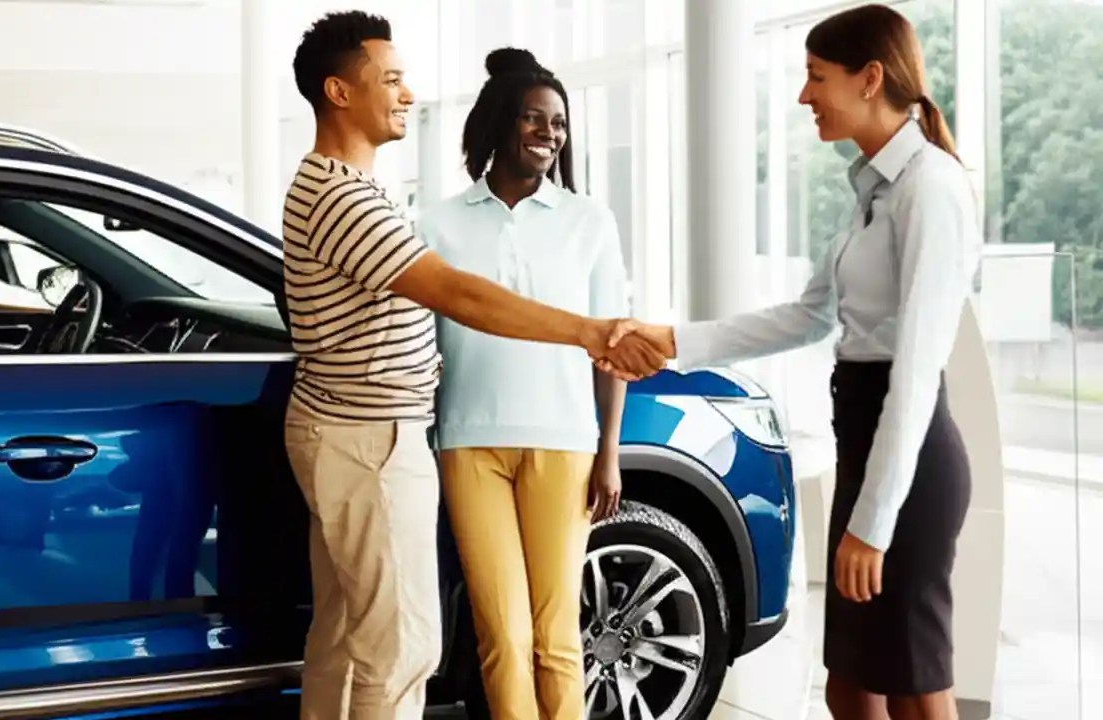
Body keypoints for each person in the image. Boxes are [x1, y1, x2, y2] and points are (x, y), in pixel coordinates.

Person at [282, 12, 671, 720]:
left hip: (385, 434)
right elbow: (457, 296)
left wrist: (605, 435)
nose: (407, 93)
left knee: (348, 639)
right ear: (340, 92)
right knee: (401, 648)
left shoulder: (353, 190)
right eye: (392, 78)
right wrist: (590, 331)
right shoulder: (353, 198)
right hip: (376, 440)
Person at [604, 5, 979, 720]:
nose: (804, 95)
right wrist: (671, 340)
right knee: (849, 683)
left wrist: (873, 519)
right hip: (870, 441)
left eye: (816, 76)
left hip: (911, 459)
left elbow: (916, 371)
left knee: (915, 683)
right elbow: (807, 317)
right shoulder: (872, 193)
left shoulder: (930, 188)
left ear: (870, 79)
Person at [411, 48, 628, 720]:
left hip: (565, 445)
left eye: (558, 123)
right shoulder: (438, 222)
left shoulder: (589, 221)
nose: (549, 132)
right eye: (534, 118)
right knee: (501, 634)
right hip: (468, 444)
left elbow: (612, 345)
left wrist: (609, 452)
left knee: (557, 639)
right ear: (501, 124)